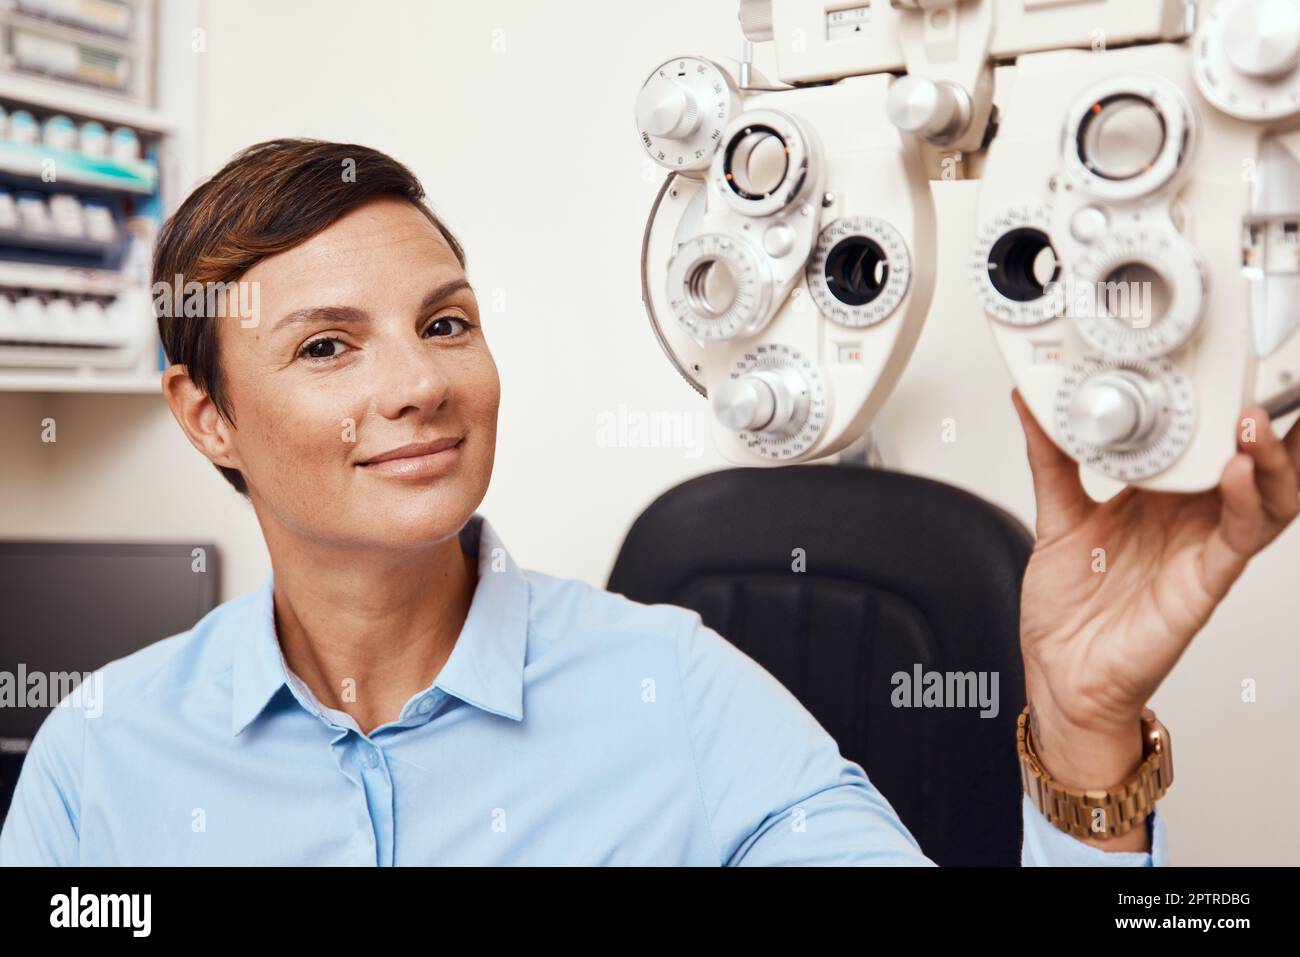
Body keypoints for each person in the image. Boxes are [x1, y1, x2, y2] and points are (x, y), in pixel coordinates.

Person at [2, 139, 1296, 865]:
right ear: (206, 414)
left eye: (444, 323)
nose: (418, 385)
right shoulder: (99, 769)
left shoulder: (680, 701)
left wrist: (1084, 733)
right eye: (327, 346)